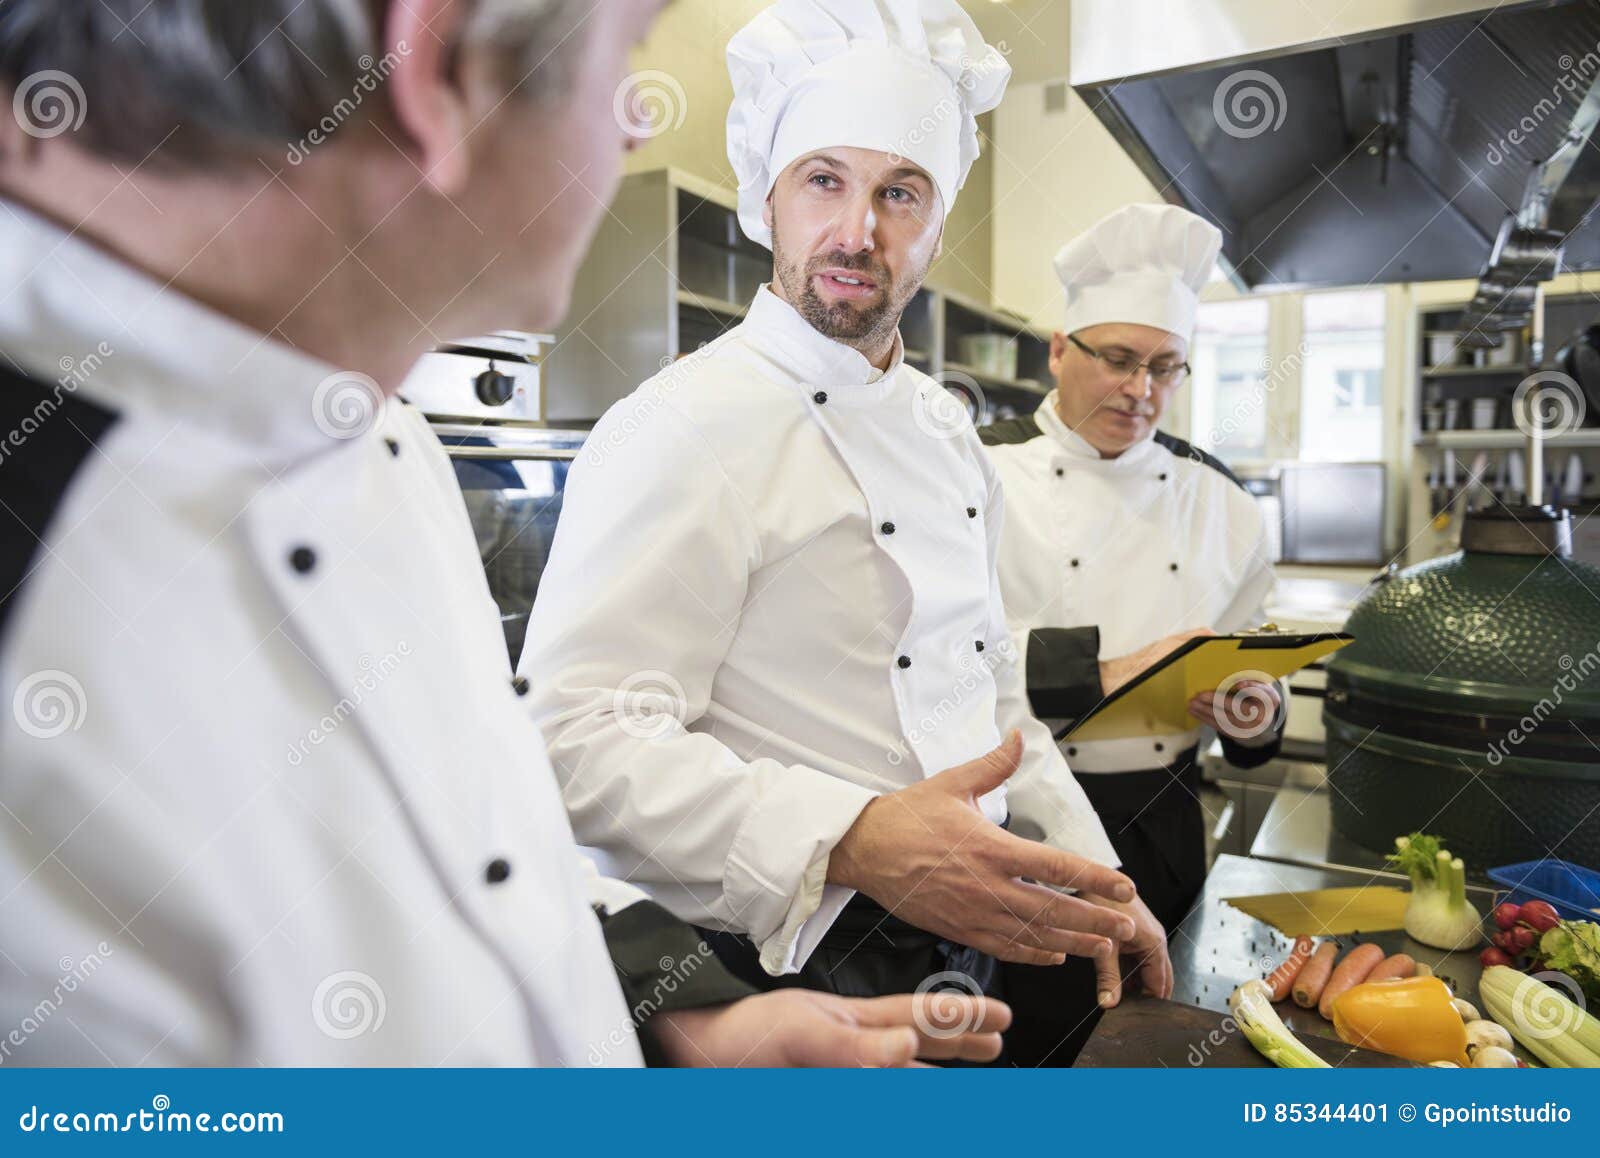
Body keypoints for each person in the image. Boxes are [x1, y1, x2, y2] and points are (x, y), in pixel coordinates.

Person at [0, 0, 1009, 1068]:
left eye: (901, 192)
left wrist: (678, 1024)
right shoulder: (50, 544)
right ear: (440, 71)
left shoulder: (372, 430)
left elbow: (485, 852)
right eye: (625, 57)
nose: (634, 123)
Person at [519, 0, 1171, 1037]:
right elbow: (574, 739)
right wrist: (856, 836)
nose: (858, 233)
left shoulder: (949, 432)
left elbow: (993, 699)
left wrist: (1101, 881)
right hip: (773, 963)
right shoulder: (681, 425)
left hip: (968, 930)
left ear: (937, 228)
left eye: (899, 193)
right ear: (766, 199)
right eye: (823, 180)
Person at [979, 204, 1282, 937]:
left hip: (1165, 820)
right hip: (1011, 821)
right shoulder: (974, 471)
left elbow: (1252, 656)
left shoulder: (1220, 498)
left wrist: (1257, 717)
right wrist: (1116, 671)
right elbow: (938, 663)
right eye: (1118, 359)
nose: (1141, 389)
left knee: (1162, 1002)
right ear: (1059, 351)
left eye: (1166, 367)